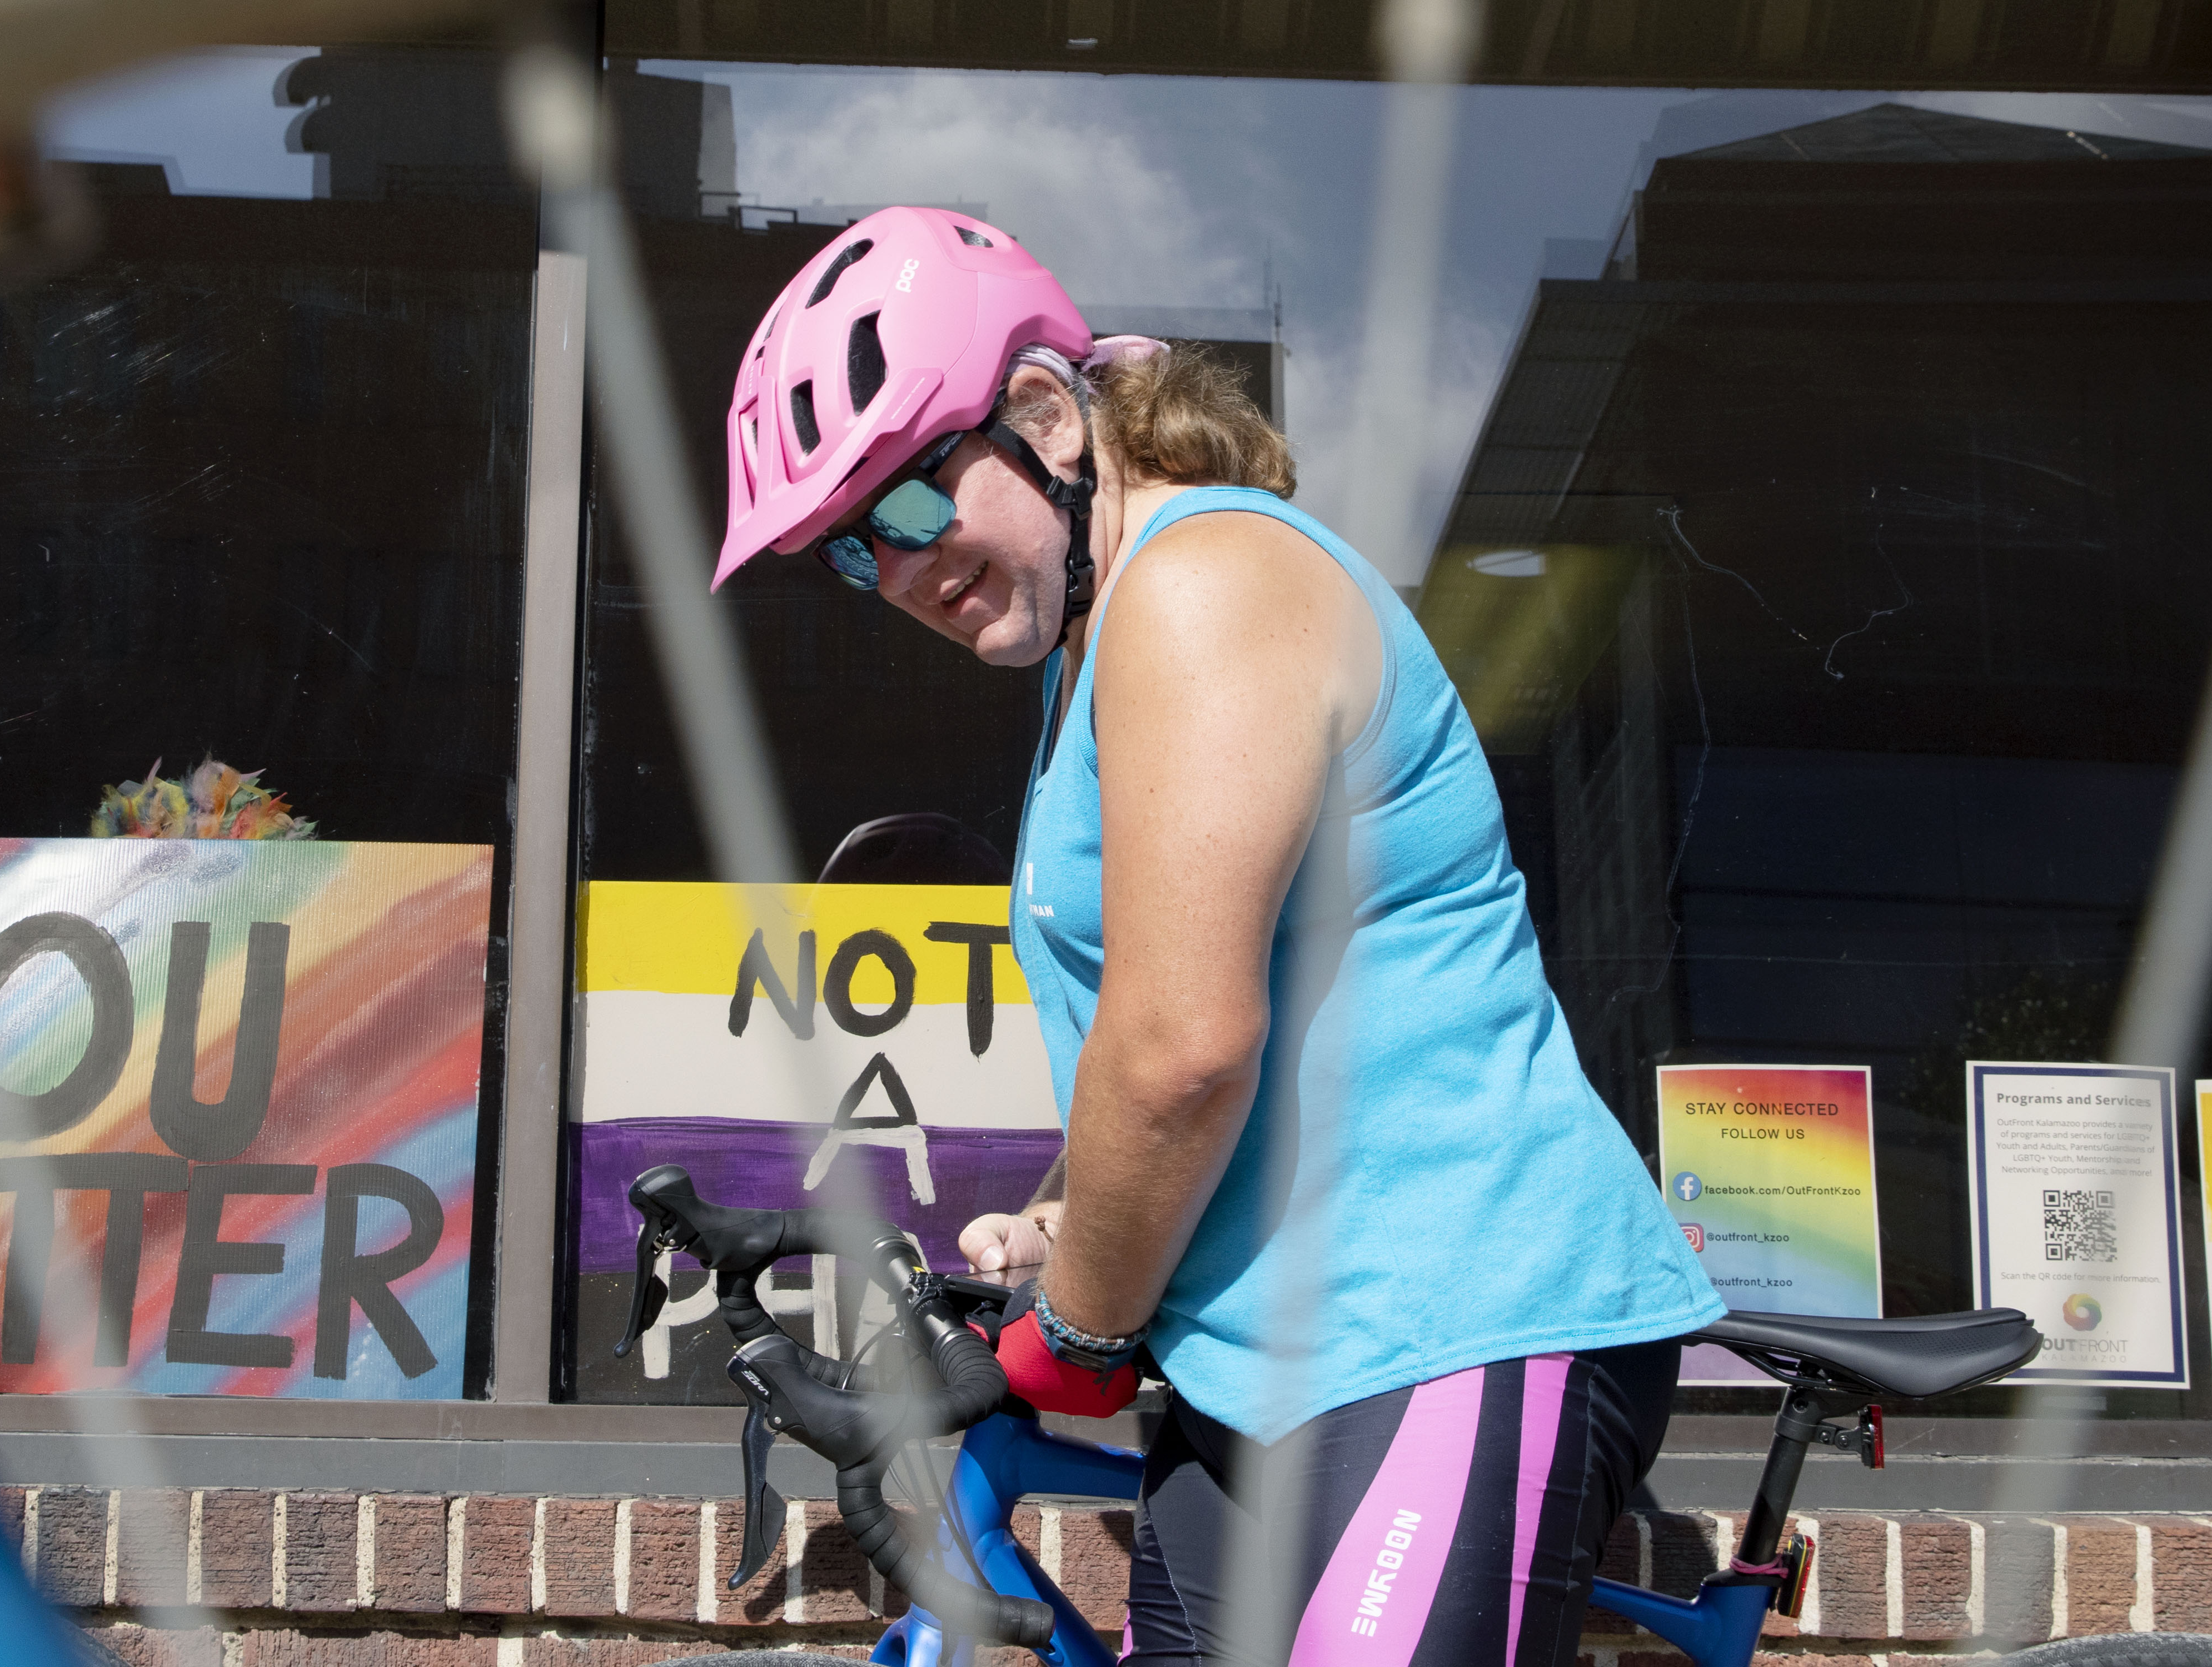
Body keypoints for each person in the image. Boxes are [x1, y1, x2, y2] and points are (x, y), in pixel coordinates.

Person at [714, 206, 1723, 1667]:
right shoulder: (1099, 647)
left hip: (1443, 1320)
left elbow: (1183, 1050)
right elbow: (1219, 1030)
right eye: (854, 557)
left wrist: (1066, 1342)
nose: (904, 570)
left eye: (916, 507)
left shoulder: (1200, 584)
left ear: (1049, 416)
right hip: (1268, 1368)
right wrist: (1071, 1235)